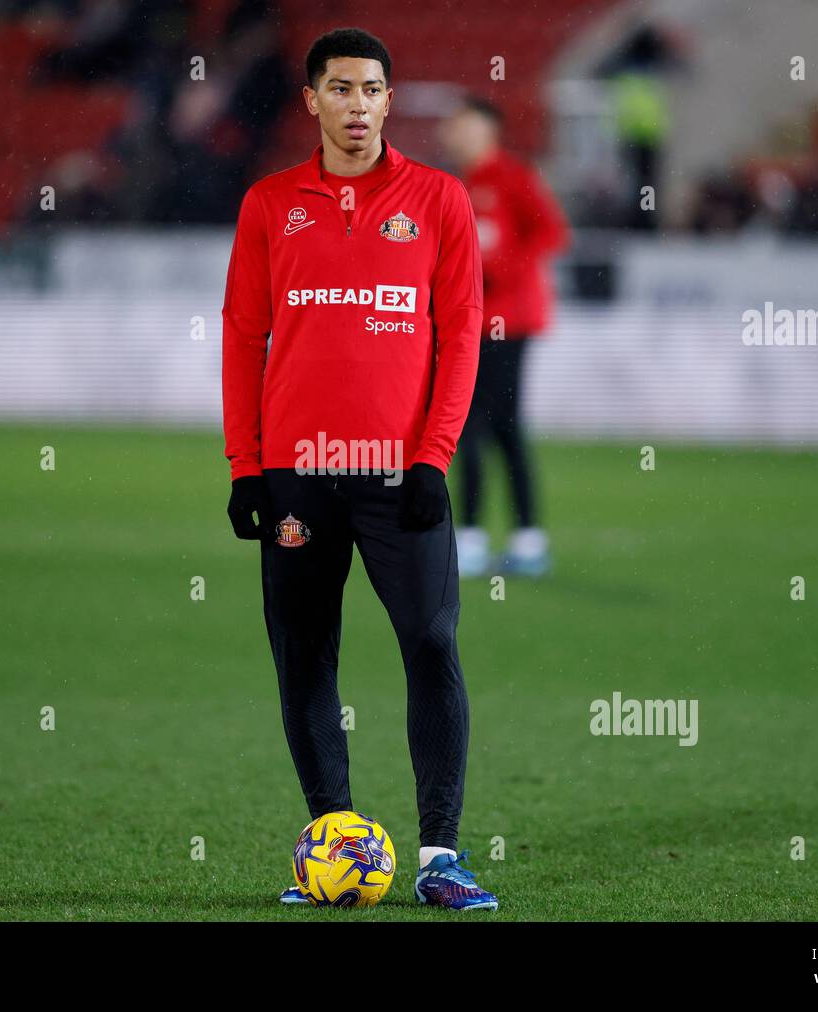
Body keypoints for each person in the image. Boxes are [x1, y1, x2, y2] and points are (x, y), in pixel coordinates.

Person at [221, 27, 498, 909]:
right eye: (339, 89)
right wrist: (245, 465)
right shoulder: (269, 204)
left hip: (398, 476)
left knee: (431, 641)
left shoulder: (440, 200)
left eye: (371, 90)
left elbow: (460, 338)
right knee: (304, 658)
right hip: (297, 474)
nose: (356, 105)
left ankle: (440, 857)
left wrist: (433, 456)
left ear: (388, 100)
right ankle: (333, 842)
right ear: (312, 100)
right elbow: (242, 335)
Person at [439, 95, 569, 578]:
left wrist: (498, 269)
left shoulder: (512, 177)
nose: (454, 136)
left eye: (464, 127)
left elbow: (553, 233)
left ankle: (475, 538)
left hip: (506, 321)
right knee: (498, 426)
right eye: (453, 128)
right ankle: (524, 538)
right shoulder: (454, 185)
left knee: (476, 423)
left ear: (488, 131)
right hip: (472, 321)